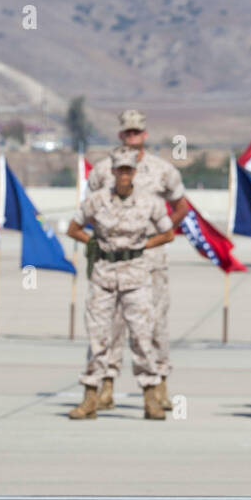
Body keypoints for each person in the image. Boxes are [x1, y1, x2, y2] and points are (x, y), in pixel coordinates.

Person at [86, 111, 188, 411]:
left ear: (145, 135)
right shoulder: (103, 171)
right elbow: (90, 209)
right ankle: (106, 386)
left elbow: (181, 207)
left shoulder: (162, 171)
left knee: (153, 324)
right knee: (110, 325)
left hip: (149, 259)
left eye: (137, 132)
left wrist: (160, 233)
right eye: (127, 132)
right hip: (111, 261)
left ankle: (159, 384)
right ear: (120, 135)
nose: (132, 137)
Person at [66, 147, 173, 421]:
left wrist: (144, 245)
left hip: (135, 276)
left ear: (134, 172)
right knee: (98, 338)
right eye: (120, 170)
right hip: (104, 274)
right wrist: (92, 242)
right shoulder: (97, 200)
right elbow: (73, 228)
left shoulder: (148, 202)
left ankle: (150, 397)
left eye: (128, 170)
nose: (124, 175)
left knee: (141, 337)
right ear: (113, 171)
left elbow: (168, 233)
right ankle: (91, 396)